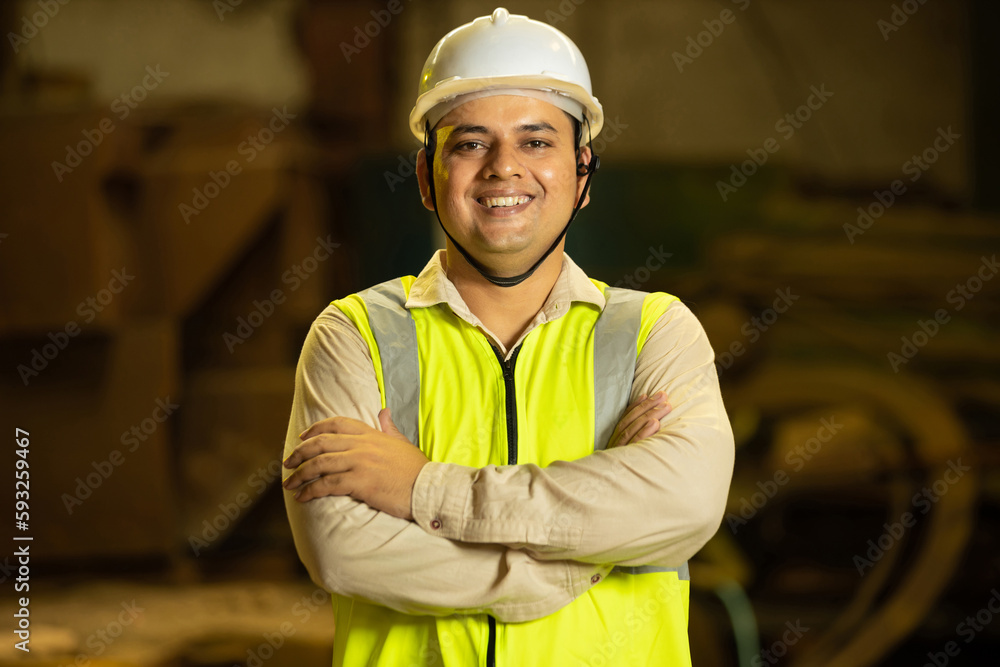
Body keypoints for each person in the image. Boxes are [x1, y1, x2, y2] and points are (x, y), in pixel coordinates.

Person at [282, 7, 734, 666]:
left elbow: (686, 505)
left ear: (583, 172)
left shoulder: (653, 332)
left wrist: (423, 490)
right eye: (469, 142)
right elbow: (341, 548)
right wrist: (583, 556)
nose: (503, 168)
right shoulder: (354, 336)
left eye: (536, 141)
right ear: (425, 176)